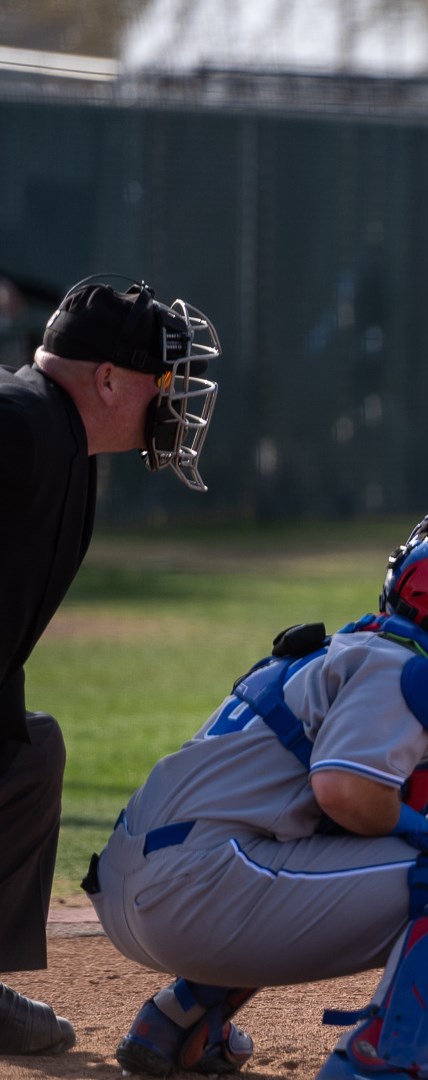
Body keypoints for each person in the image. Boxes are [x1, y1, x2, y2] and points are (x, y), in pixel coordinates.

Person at [87, 516, 428, 1078]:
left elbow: (411, 817)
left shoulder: (358, 652)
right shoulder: (405, 669)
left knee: (380, 848)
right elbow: (346, 795)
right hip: (196, 886)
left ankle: (178, 1022)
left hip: (152, 882)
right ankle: (376, 1064)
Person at [0, 277, 220, 1056]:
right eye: (165, 384)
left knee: (25, 752)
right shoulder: (22, 423)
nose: (175, 403)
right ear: (105, 379)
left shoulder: (57, 441)